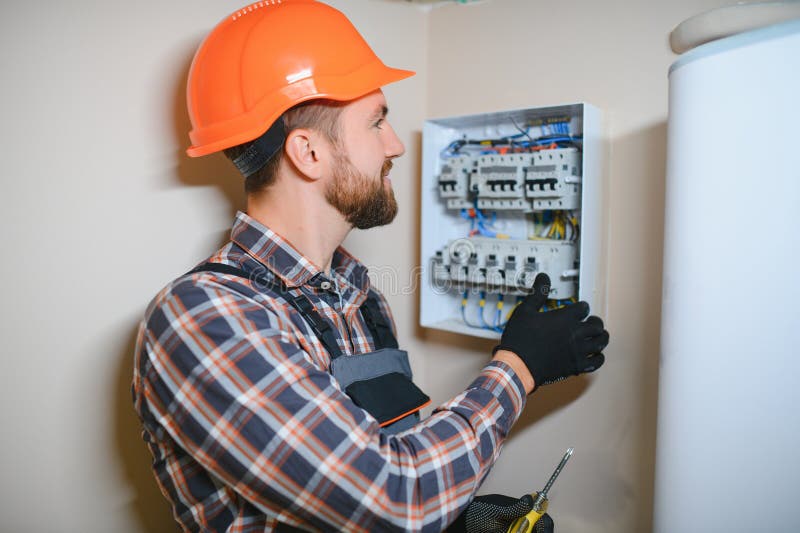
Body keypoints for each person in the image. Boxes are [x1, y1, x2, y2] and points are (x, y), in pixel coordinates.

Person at [132, 1, 609, 531]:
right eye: (377, 121)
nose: (396, 145)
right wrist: (517, 368)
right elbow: (395, 501)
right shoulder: (202, 319)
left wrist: (462, 520)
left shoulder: (358, 295)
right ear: (307, 153)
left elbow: (382, 458)